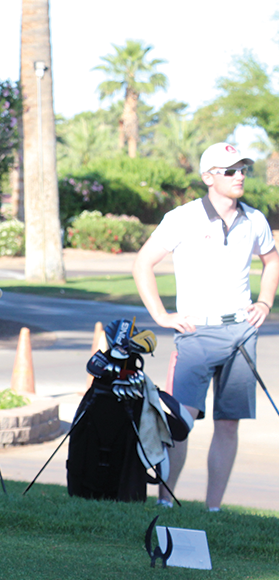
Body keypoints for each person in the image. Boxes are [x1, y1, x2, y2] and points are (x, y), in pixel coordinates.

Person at [133, 142, 279, 511]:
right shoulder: (182, 218)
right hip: (196, 334)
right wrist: (162, 316)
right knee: (181, 422)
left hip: (241, 333)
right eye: (230, 170)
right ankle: (165, 502)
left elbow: (272, 260)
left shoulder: (255, 219)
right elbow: (142, 264)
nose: (239, 176)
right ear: (208, 177)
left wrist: (264, 301)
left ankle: (214, 509)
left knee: (229, 423)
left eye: (243, 169)